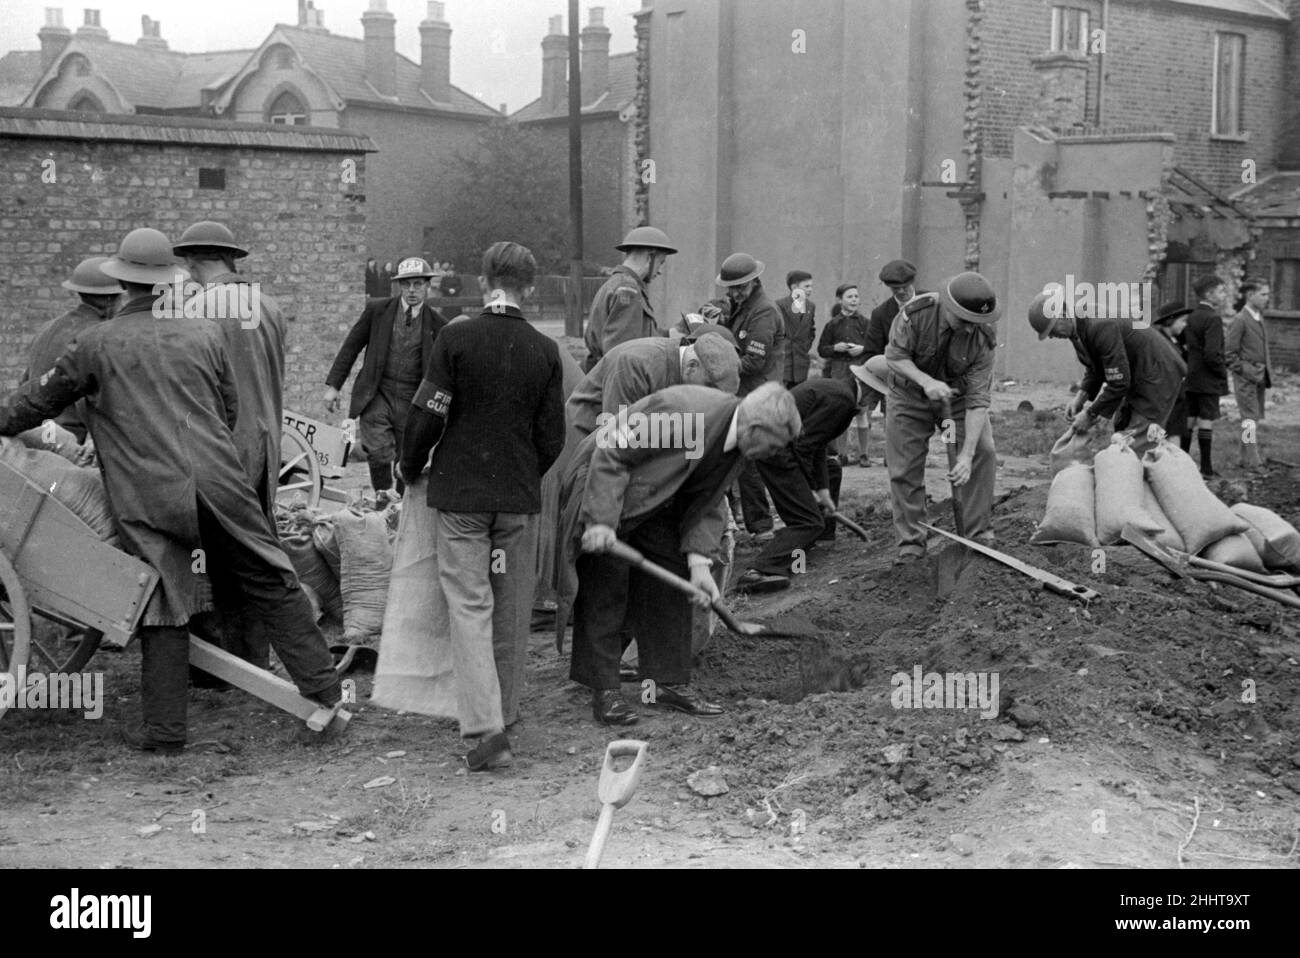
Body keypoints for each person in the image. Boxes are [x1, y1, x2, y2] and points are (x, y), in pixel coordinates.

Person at [0, 228, 341, 753]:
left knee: (163, 605)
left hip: (147, 496)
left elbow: (33, 406)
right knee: (269, 578)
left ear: (124, 286)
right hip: (220, 482)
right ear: (165, 283)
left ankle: (165, 735)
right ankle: (325, 690)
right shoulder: (204, 334)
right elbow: (229, 409)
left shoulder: (95, 343)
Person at [399, 241, 565, 771]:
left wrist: (410, 464)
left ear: (482, 281)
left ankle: (485, 728)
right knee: (512, 606)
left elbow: (427, 412)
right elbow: (552, 439)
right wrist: (521, 477)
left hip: (462, 499)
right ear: (530, 289)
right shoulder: (545, 350)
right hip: (516, 501)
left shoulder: (455, 338)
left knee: (470, 607)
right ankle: (508, 710)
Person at [558, 382, 802, 725]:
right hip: (608, 489)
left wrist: (700, 563)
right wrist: (600, 521)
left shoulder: (738, 444)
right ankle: (605, 690)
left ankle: (663, 684)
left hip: (656, 502)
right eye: (774, 446)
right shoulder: (687, 416)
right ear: (756, 429)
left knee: (671, 588)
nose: (774, 454)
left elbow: (707, 500)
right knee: (606, 590)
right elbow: (612, 448)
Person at [174, 219, 291, 670]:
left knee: (211, 556)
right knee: (259, 548)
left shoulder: (197, 310)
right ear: (229, 258)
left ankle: (219, 664)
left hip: (220, 450)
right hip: (267, 445)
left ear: (192, 260)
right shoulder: (269, 306)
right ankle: (255, 657)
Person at [884, 272, 1000, 564]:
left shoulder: (983, 338)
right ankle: (911, 543)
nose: (969, 329)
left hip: (957, 400)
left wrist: (965, 454)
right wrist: (926, 382)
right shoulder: (916, 314)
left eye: (975, 323)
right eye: (963, 321)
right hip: (909, 396)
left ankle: (977, 534)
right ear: (947, 306)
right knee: (905, 467)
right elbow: (895, 357)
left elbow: (978, 400)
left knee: (983, 452)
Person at [324, 257, 449, 507]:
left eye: (417, 284)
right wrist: (333, 387)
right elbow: (351, 346)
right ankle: (383, 500)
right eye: (406, 285)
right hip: (377, 394)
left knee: (407, 459)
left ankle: (400, 511)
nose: (412, 291)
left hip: (413, 401)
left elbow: (445, 370)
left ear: (427, 286)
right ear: (398, 286)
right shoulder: (377, 311)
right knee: (379, 452)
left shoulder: (438, 325)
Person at [734, 371, 870, 592]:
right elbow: (804, 447)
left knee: (832, 469)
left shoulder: (838, 390)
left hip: (783, 446)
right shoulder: (842, 401)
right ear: (870, 394)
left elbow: (817, 444)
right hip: (774, 448)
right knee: (807, 521)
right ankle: (760, 570)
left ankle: (816, 540)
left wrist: (823, 489)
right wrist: (809, 488)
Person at [1028, 289, 1186, 454]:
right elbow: (1095, 366)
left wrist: (1090, 414)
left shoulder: (1100, 325)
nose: (1052, 336)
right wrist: (1080, 397)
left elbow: (1118, 383)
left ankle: (1143, 473)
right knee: (1122, 428)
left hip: (1158, 375)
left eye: (1051, 329)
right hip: (1141, 374)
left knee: (1137, 442)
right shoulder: (1078, 327)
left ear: (1063, 314)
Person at [719, 252, 786, 540]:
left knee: (753, 462)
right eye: (731, 288)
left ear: (754, 281)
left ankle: (763, 527)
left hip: (757, 394)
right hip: (745, 393)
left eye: (740, 287)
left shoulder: (764, 311)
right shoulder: (743, 305)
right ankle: (757, 523)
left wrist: (718, 369)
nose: (734, 293)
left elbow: (754, 361)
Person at [566, 330, 741, 441]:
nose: (709, 399)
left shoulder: (686, 375)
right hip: (580, 445)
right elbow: (618, 440)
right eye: (709, 388)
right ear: (692, 366)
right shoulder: (636, 363)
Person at [22, 256, 123, 445]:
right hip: (71, 446)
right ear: (112, 300)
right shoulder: (98, 337)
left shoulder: (48, 328)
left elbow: (26, 386)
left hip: (36, 437)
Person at [583, 226, 677, 372]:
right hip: (617, 380)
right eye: (661, 262)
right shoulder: (628, 290)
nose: (660, 271)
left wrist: (673, 333)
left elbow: (638, 334)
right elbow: (623, 355)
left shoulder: (616, 284)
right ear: (649, 257)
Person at [1183, 275, 1231, 478]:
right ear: (1209, 294)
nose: (1224, 295)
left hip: (1191, 376)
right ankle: (1206, 467)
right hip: (1208, 378)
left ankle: (1182, 462)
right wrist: (1222, 372)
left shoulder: (1191, 316)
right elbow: (1213, 354)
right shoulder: (1213, 318)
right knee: (1206, 420)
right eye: (1221, 291)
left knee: (1189, 419)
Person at [817, 283, 870, 465]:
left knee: (862, 411)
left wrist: (862, 349)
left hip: (860, 370)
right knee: (841, 411)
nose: (854, 300)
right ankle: (842, 454)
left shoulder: (865, 323)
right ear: (840, 300)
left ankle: (864, 454)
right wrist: (835, 348)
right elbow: (822, 349)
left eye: (856, 296)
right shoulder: (832, 325)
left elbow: (873, 346)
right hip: (839, 370)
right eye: (850, 297)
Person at [1226, 279, 1272, 470]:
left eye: (1268, 294)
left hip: (1259, 376)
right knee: (1249, 420)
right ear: (1250, 295)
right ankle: (1253, 461)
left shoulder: (1258, 317)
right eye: (1263, 294)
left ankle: (1244, 458)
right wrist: (1246, 371)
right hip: (1247, 378)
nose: (1267, 298)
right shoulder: (1240, 320)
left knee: (1252, 418)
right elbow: (1229, 355)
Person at [1152, 301, 1194, 446]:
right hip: (1164, 399)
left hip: (1176, 399)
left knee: (1175, 436)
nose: (1185, 325)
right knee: (1163, 440)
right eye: (1182, 321)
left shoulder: (1175, 341)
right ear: (1170, 320)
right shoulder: (1159, 341)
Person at [777, 270, 817, 388]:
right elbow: (776, 332)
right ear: (794, 287)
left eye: (811, 286)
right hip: (785, 361)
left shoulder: (810, 306)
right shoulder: (780, 305)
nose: (810, 289)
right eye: (806, 286)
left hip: (801, 362)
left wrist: (804, 347)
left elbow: (811, 331)